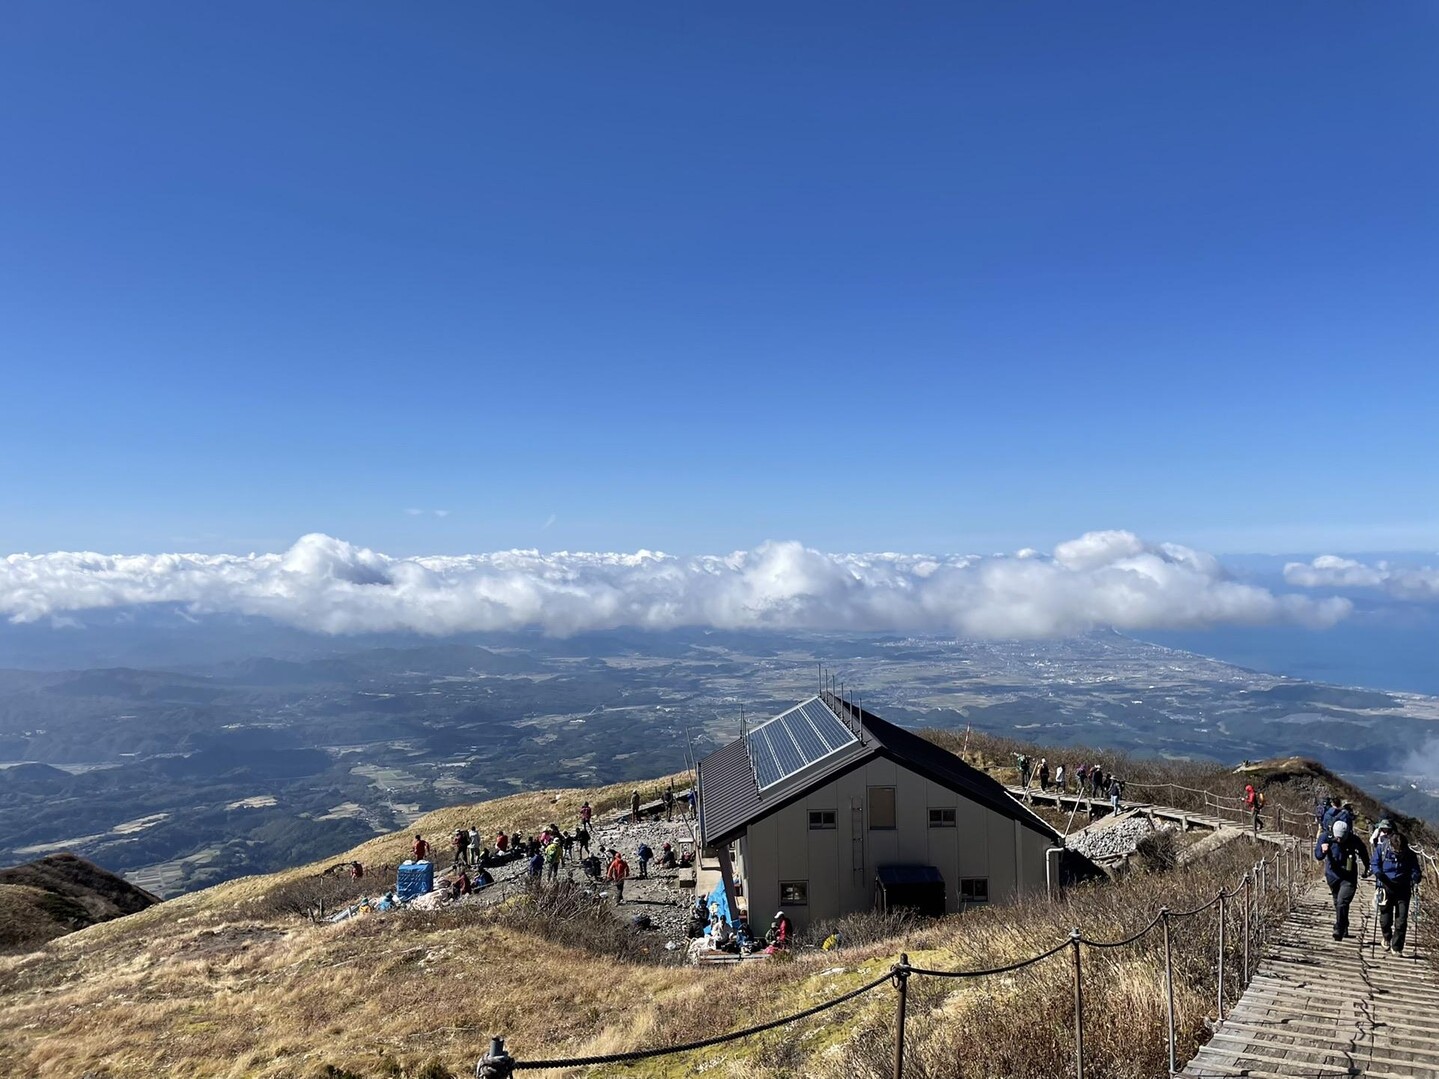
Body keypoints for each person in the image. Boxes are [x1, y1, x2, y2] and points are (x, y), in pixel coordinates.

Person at [1371, 823, 1423, 955]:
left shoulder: (1409, 854)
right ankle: (1387, 937)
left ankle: (1397, 946)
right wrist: (1378, 874)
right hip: (1385, 885)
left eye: (1401, 850)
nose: (1399, 852)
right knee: (1385, 918)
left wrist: (1416, 876)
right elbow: (1375, 863)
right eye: (1397, 851)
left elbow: (1415, 869)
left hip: (1403, 888)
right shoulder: (1382, 849)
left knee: (1402, 919)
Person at [1315, 819, 1370, 941]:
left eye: (1342, 838)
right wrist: (1323, 850)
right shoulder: (1326, 837)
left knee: (1342, 901)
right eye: (1337, 837)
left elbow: (1363, 853)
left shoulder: (1353, 839)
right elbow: (1318, 855)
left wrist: (1367, 868)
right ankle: (1344, 926)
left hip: (1348, 876)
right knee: (1338, 903)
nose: (1339, 840)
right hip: (1332, 875)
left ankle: (1338, 929)